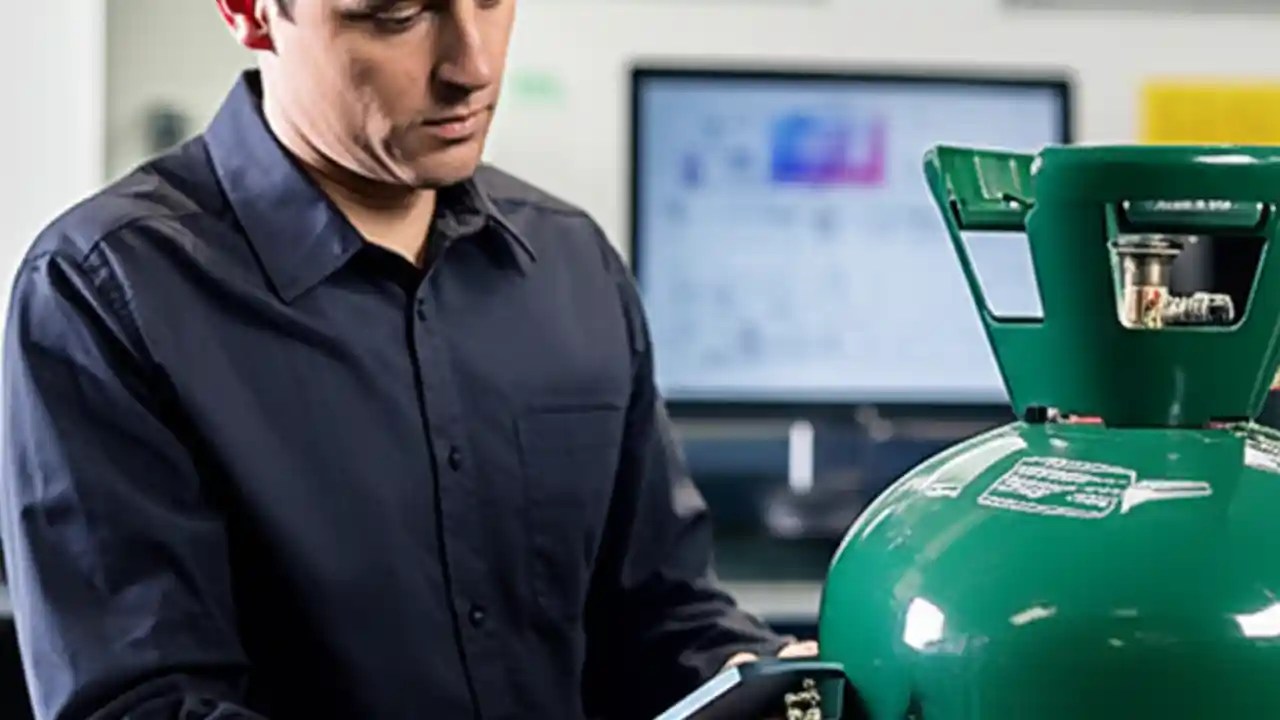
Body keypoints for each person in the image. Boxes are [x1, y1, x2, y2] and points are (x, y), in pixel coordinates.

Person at [0, 1, 817, 718]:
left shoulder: (573, 266)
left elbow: (662, 618)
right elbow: (144, 704)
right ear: (249, 11)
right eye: (396, 14)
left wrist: (766, 684)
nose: (474, 65)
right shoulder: (105, 292)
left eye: (493, 0)